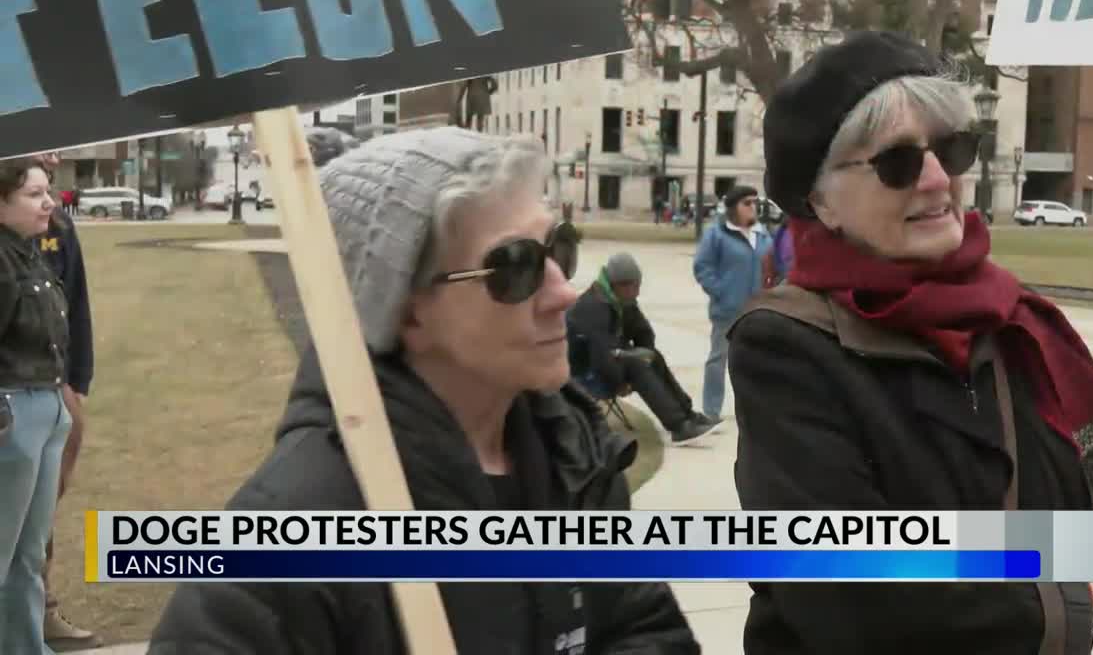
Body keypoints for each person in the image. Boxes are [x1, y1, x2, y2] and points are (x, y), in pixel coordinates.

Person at [726, 30, 1093, 653]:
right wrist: (1061, 605)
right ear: (820, 201)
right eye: (897, 162)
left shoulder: (1016, 325)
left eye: (952, 148)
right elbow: (851, 595)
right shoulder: (786, 344)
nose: (937, 179)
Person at [148, 128, 698, 653]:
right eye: (515, 267)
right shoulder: (289, 537)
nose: (564, 293)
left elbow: (643, 627)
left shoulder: (574, 456)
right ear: (403, 310)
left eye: (561, 248)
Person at [0, 158, 73, 654]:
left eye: (48, 191)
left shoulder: (28, 253)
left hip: (47, 406)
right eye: (33, 194)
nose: (49, 203)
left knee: (28, 555)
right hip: (12, 413)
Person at [32, 156, 100, 652]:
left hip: (54, 385)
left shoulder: (56, 223)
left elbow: (75, 303)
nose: (55, 158)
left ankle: (40, 608)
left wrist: (78, 381)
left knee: (40, 510)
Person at [568, 252, 719, 445]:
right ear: (620, 285)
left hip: (611, 359)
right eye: (636, 286)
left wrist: (647, 355)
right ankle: (678, 427)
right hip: (586, 371)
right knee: (636, 366)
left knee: (653, 357)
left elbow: (644, 333)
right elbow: (600, 356)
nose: (638, 292)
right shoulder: (594, 307)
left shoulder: (622, 300)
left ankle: (688, 415)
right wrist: (618, 383)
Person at [692, 184, 772, 425]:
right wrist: (721, 292)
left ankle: (755, 411)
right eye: (747, 203)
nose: (753, 207)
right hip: (727, 310)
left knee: (757, 362)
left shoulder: (763, 235)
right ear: (733, 208)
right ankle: (711, 411)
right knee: (718, 360)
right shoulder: (716, 235)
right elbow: (702, 267)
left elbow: (776, 267)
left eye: (755, 202)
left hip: (758, 311)